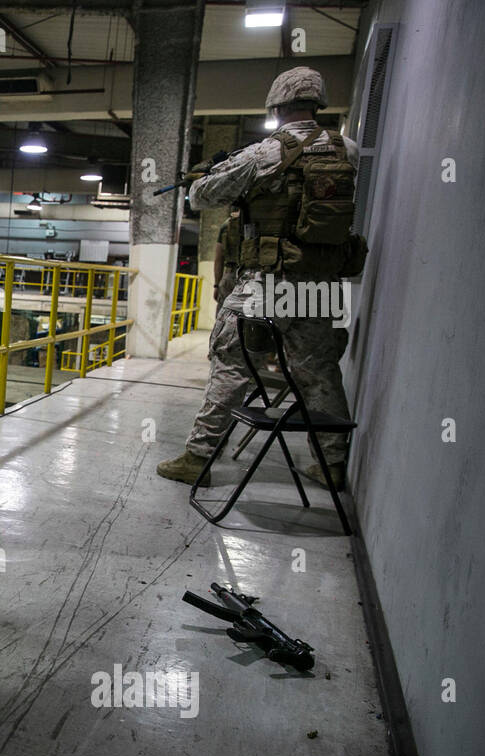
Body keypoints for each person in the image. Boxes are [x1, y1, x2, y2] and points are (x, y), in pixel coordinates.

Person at [157, 66, 361, 492]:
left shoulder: (267, 152)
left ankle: (198, 458)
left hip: (267, 283)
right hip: (320, 285)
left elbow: (203, 196)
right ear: (316, 102)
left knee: (231, 362)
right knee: (319, 370)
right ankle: (331, 463)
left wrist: (205, 178)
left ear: (277, 104)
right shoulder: (348, 149)